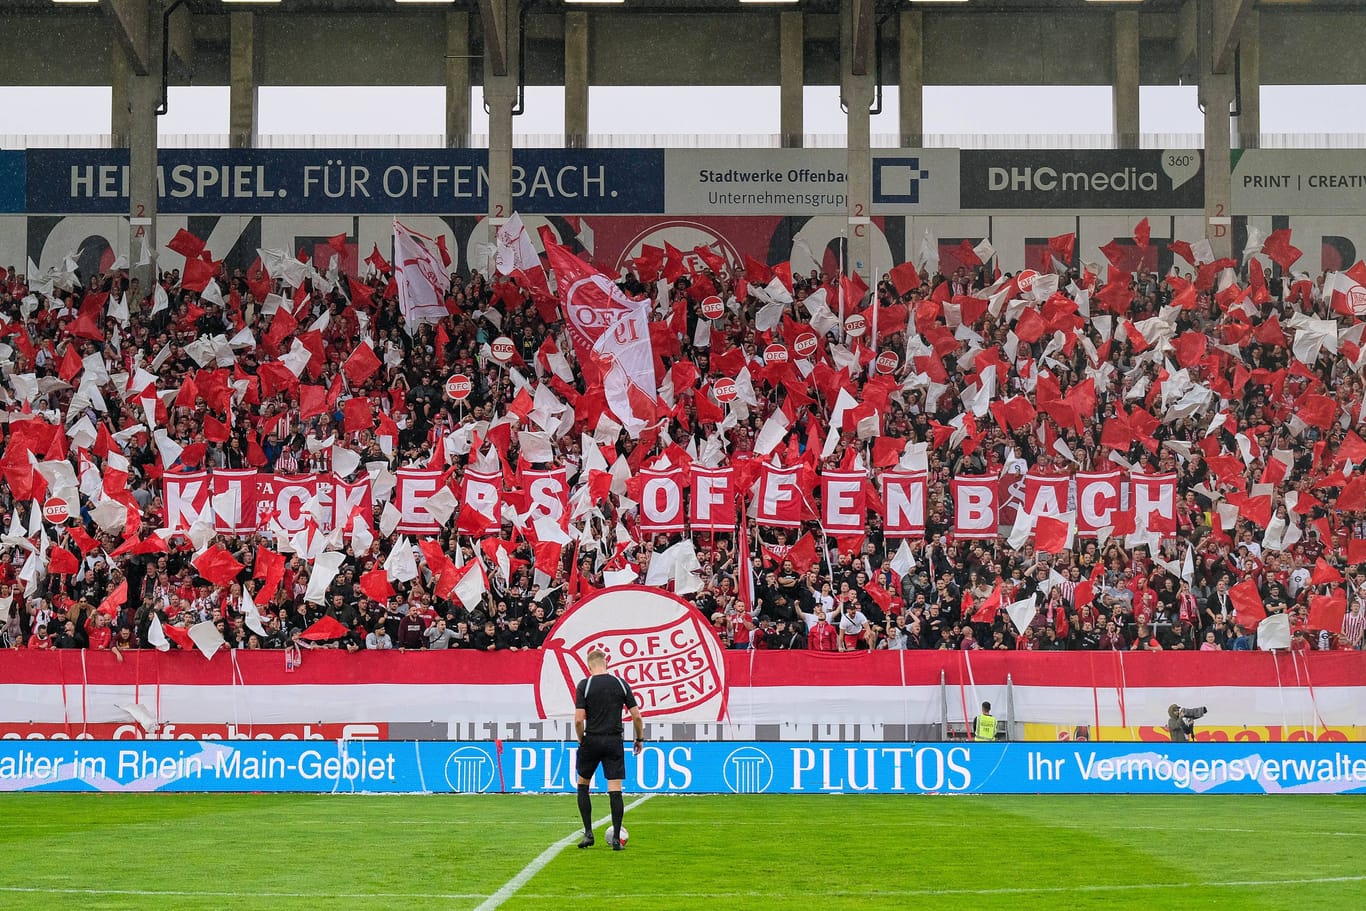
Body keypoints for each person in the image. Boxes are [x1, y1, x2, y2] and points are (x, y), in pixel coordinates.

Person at [574, 649, 644, 851]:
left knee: (583, 786)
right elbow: (637, 716)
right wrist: (639, 738)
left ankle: (588, 833)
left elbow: (579, 719)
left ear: (589, 666)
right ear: (607, 664)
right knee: (615, 789)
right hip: (614, 740)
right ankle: (616, 839)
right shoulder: (621, 684)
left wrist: (582, 741)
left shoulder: (585, 685)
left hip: (592, 739)